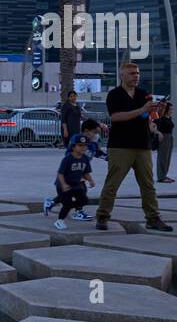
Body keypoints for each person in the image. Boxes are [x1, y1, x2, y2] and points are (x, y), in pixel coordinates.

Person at [96, 62, 173, 231]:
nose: (136, 76)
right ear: (122, 76)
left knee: (148, 185)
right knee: (113, 183)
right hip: (120, 146)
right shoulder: (114, 95)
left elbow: (151, 117)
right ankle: (102, 216)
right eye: (131, 73)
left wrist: (158, 110)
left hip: (142, 145)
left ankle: (153, 218)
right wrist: (142, 109)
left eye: (137, 73)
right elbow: (116, 117)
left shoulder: (144, 94)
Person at [44, 118, 107, 219]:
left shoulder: (93, 143)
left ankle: (51, 202)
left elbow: (98, 153)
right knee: (80, 191)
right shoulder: (77, 139)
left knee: (71, 193)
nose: (96, 135)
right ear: (86, 131)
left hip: (80, 172)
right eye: (94, 132)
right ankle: (78, 211)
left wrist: (108, 158)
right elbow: (69, 153)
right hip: (70, 173)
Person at [52, 135, 95, 230]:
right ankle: (59, 221)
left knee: (84, 200)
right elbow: (60, 174)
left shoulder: (85, 158)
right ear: (73, 147)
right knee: (67, 203)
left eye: (85, 145)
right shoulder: (68, 159)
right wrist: (63, 184)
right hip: (64, 185)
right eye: (80, 145)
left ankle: (60, 205)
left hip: (76, 185)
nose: (83, 148)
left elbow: (86, 172)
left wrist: (91, 180)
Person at [154, 99, 174, 183]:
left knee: (167, 158)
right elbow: (155, 126)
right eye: (170, 109)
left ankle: (164, 175)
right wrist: (159, 134)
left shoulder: (169, 118)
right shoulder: (161, 118)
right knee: (162, 157)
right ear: (166, 109)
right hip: (163, 137)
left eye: (172, 109)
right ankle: (161, 177)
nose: (171, 111)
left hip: (169, 137)